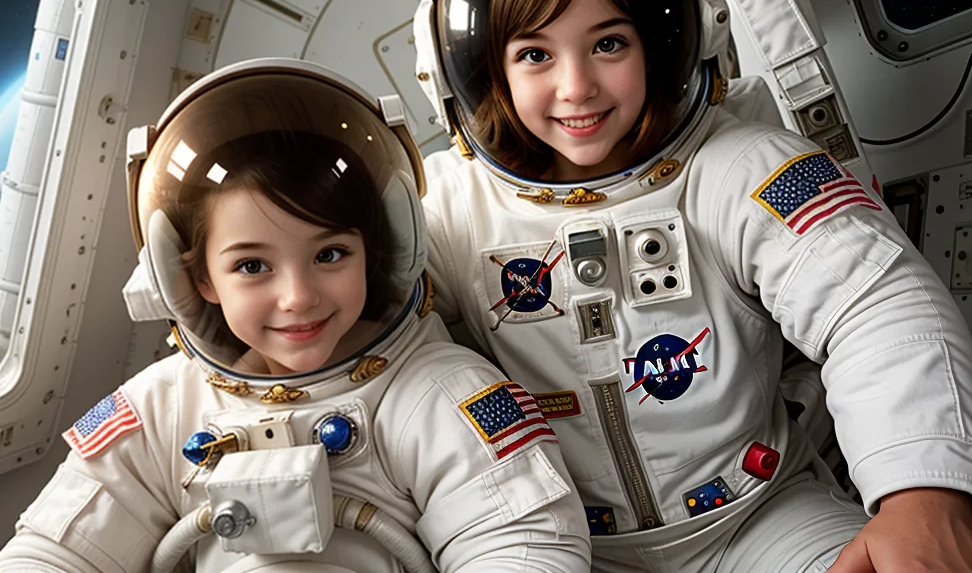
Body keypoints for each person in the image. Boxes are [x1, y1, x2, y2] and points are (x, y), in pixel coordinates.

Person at [411, 0, 972, 572]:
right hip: (562, 542)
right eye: (535, 54)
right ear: (487, 72)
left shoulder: (739, 165)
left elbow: (871, 298)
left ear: (658, 47)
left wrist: (921, 495)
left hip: (760, 517)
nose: (576, 87)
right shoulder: (448, 209)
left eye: (608, 43)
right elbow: (376, 348)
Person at [0, 59, 591, 573]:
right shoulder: (161, 408)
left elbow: (526, 546)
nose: (298, 296)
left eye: (329, 254)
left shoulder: (439, 392)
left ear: (379, 251)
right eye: (253, 266)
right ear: (197, 279)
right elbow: (54, 552)